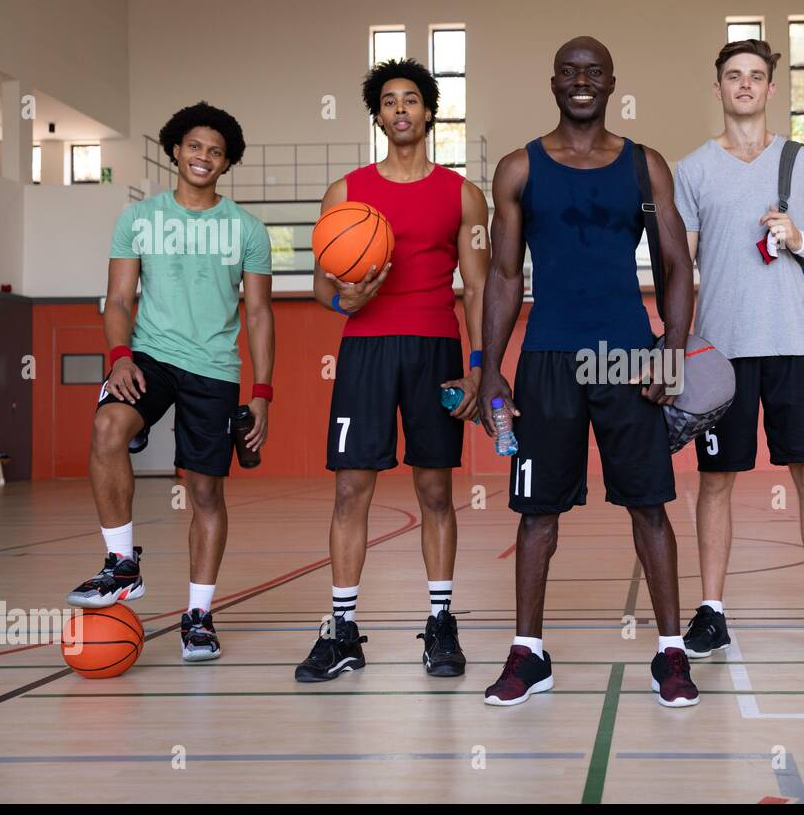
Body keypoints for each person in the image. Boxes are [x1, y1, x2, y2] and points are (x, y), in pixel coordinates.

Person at [478, 36, 699, 707]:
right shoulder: (518, 168)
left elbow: (676, 265)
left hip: (628, 355)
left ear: (610, 83)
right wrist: (491, 369)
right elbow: (505, 275)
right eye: (570, 73)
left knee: (648, 505)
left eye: (593, 73)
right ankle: (528, 654)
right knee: (537, 512)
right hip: (547, 355)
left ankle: (671, 654)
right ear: (554, 84)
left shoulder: (644, 167)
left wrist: (674, 346)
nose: (581, 82)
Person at [294, 58, 490, 682]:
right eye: (388, 101)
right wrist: (340, 301)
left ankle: (440, 623)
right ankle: (343, 629)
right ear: (377, 116)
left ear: (429, 112)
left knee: (435, 491)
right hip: (366, 350)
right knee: (352, 488)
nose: (401, 109)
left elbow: (480, 288)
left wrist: (480, 368)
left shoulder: (463, 194)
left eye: (412, 99)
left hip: (436, 349)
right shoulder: (346, 193)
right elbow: (320, 284)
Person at [673, 39, 804, 659]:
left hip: (792, 346)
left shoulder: (802, 162)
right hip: (721, 353)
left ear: (772, 89)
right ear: (718, 86)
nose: (746, 86)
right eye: (734, 76)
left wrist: (801, 238)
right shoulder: (693, 168)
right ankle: (712, 612)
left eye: (757, 76)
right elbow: (682, 263)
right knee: (717, 480)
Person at [68, 102, 275, 663]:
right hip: (150, 357)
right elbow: (117, 301)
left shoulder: (248, 230)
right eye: (194, 146)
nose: (203, 156)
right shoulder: (138, 218)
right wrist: (118, 356)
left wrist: (262, 393)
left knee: (205, 490)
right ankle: (122, 565)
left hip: (214, 369)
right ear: (175, 151)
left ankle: (199, 616)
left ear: (226, 161)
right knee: (109, 427)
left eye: (215, 150)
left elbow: (258, 315)